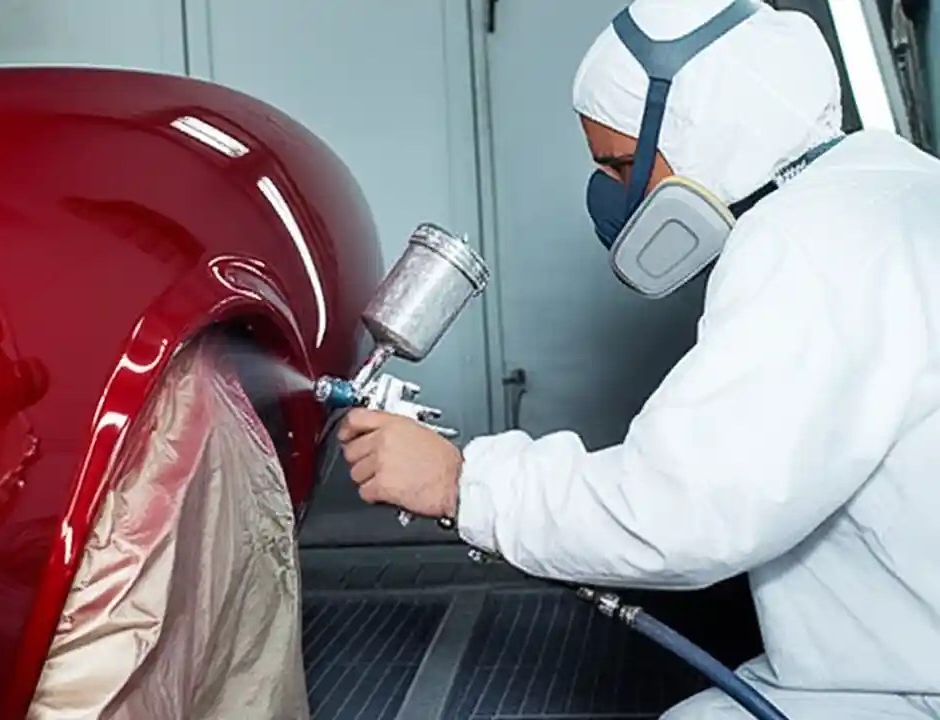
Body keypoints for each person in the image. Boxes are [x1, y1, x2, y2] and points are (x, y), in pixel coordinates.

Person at [336, 0, 940, 716]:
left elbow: (683, 511)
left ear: (706, 130)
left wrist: (462, 484)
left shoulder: (806, 244)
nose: (616, 199)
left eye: (623, 165)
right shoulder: (895, 181)